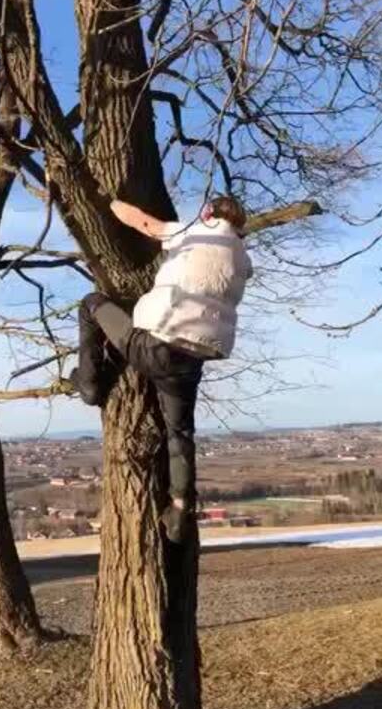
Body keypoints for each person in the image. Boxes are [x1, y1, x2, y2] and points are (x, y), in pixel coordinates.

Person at [70, 195, 253, 544]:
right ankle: (180, 509)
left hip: (155, 344)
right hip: (195, 355)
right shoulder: (242, 258)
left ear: (208, 213)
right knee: (179, 433)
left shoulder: (194, 231)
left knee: (91, 305)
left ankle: (90, 385)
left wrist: (107, 200)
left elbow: (143, 222)